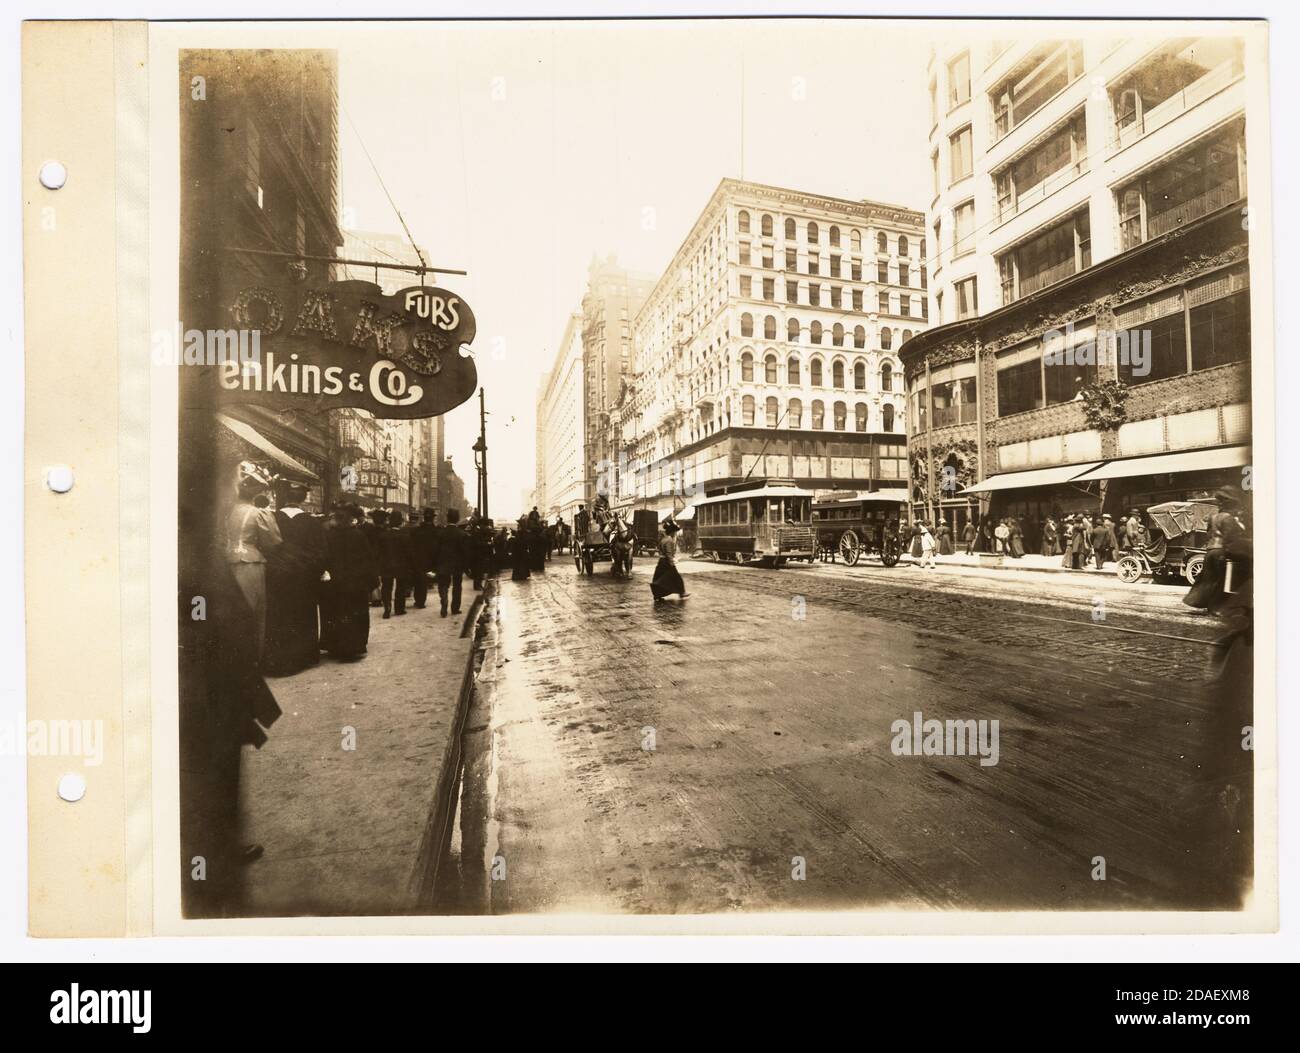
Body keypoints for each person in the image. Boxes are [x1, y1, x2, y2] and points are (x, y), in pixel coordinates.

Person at [263, 484, 327, 677]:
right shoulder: (312, 522)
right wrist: (314, 571)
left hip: (277, 574)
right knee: (302, 613)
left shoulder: (273, 518)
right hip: (302, 576)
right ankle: (303, 657)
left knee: (278, 614)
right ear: (303, 499)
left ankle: (277, 658)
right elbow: (321, 552)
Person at [225, 464, 282, 664]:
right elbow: (273, 541)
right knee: (253, 611)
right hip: (250, 562)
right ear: (256, 493)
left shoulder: (224, 512)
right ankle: (249, 660)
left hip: (226, 560)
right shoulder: (258, 513)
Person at [320, 504, 379, 660]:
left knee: (335, 613)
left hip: (335, 584)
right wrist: (372, 582)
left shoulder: (329, 536)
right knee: (355, 614)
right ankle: (354, 646)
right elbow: (368, 560)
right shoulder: (358, 535)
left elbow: (323, 559)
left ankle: (334, 645)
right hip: (355, 584)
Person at [379, 510, 412, 618]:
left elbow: (379, 552)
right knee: (400, 587)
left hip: (386, 565)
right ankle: (399, 608)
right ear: (400, 522)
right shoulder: (405, 536)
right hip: (400, 565)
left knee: (386, 587)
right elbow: (408, 553)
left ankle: (387, 608)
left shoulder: (383, 536)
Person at [435, 508, 468, 616]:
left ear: (447, 518)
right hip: (457, 564)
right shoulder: (462, 534)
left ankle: (444, 599)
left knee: (443, 584)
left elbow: (436, 549)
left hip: (443, 562)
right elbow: (464, 551)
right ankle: (455, 608)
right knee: (457, 586)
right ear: (457, 519)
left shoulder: (441, 533)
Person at [650, 517, 688, 602]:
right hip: (666, 562)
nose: (675, 533)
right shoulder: (669, 540)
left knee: (658, 578)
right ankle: (682, 592)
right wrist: (672, 563)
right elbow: (668, 554)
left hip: (661, 562)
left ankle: (657, 595)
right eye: (674, 531)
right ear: (672, 532)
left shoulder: (663, 539)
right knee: (676, 578)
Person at [409, 508, 438, 609]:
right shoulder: (436, 530)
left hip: (419, 558)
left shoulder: (417, 530)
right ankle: (421, 601)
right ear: (433, 518)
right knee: (425, 580)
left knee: (419, 579)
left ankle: (419, 600)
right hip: (431, 558)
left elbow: (412, 544)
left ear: (424, 518)